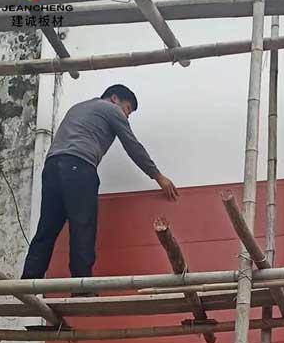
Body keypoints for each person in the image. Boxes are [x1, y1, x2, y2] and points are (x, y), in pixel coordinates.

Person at [22, 84, 178, 289]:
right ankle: (82, 288)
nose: (126, 116)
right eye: (127, 109)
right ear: (114, 98)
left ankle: (27, 284)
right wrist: (158, 177)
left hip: (52, 167)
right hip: (79, 166)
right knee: (82, 227)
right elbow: (132, 146)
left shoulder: (79, 108)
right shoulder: (111, 110)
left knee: (47, 229)